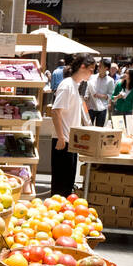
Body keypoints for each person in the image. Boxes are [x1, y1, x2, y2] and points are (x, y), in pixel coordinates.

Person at [50, 54, 94, 196]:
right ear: (82, 67)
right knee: (61, 186)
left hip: (70, 141)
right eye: (91, 70)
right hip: (63, 141)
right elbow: (56, 112)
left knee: (67, 184)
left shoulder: (74, 85)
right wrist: (61, 138)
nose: (91, 73)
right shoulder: (67, 85)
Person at [85, 60, 113, 126]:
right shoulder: (92, 77)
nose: (98, 68)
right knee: (88, 127)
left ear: (106, 68)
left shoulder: (110, 80)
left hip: (102, 108)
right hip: (91, 106)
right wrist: (86, 96)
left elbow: (110, 95)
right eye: (98, 66)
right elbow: (88, 88)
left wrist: (100, 96)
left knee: (99, 128)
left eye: (100, 66)